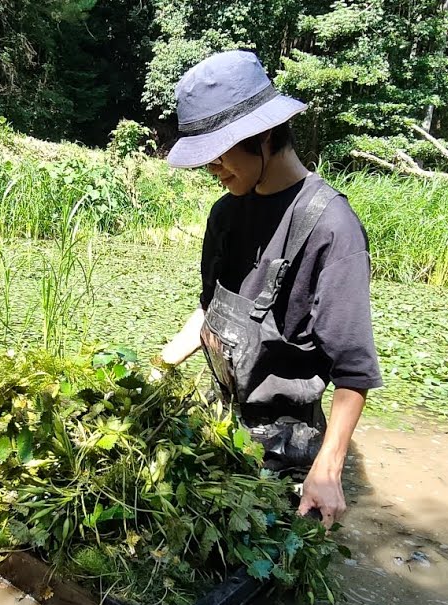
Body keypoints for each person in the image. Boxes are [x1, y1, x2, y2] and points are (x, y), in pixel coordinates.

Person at [152, 50, 383, 529]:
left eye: (220, 153)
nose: (212, 168)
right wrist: (153, 374)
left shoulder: (331, 228)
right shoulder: (226, 214)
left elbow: (354, 373)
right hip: (223, 427)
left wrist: (329, 468)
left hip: (287, 445)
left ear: (264, 135)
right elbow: (211, 310)